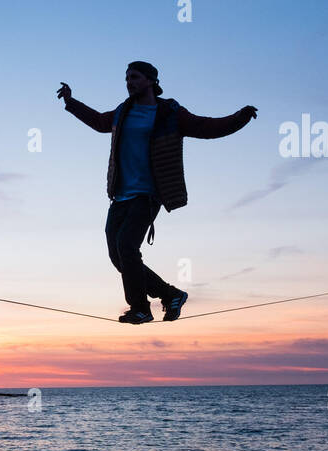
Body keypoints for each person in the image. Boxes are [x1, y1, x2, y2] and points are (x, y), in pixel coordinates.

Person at [58, 62, 257, 323]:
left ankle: (140, 308)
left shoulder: (169, 113)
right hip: (120, 196)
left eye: (135, 77)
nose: (129, 82)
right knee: (118, 256)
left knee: (126, 246)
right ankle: (171, 294)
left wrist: (239, 118)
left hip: (148, 195)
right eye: (127, 78)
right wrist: (72, 102)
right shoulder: (122, 112)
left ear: (151, 81)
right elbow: (98, 122)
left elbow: (206, 128)